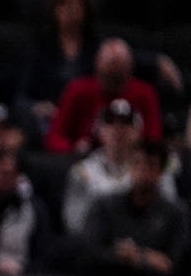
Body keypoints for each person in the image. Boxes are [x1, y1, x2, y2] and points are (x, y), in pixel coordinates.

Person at [84, 139, 188, 276]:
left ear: (160, 172)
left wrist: (135, 255)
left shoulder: (175, 213)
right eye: (137, 163)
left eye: (150, 165)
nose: (142, 170)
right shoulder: (105, 205)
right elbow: (91, 250)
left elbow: (172, 263)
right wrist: (145, 258)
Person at [63, 98, 172, 231]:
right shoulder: (82, 172)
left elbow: (169, 215)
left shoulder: (153, 168)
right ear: (99, 131)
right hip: (98, 243)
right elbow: (75, 224)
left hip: (147, 241)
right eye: (110, 121)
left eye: (126, 123)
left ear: (138, 132)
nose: (118, 128)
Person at [46, 39, 164, 153]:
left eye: (118, 77)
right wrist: (73, 148)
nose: (112, 82)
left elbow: (154, 140)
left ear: (130, 70)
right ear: (96, 67)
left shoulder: (145, 94)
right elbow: (54, 138)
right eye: (108, 76)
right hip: (85, 161)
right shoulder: (77, 91)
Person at [21, 0, 99, 122]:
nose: (70, 9)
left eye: (75, 4)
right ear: (54, 10)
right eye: (63, 4)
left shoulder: (97, 46)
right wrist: (40, 107)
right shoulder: (39, 46)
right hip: (49, 114)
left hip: (87, 114)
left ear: (85, 10)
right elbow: (24, 93)